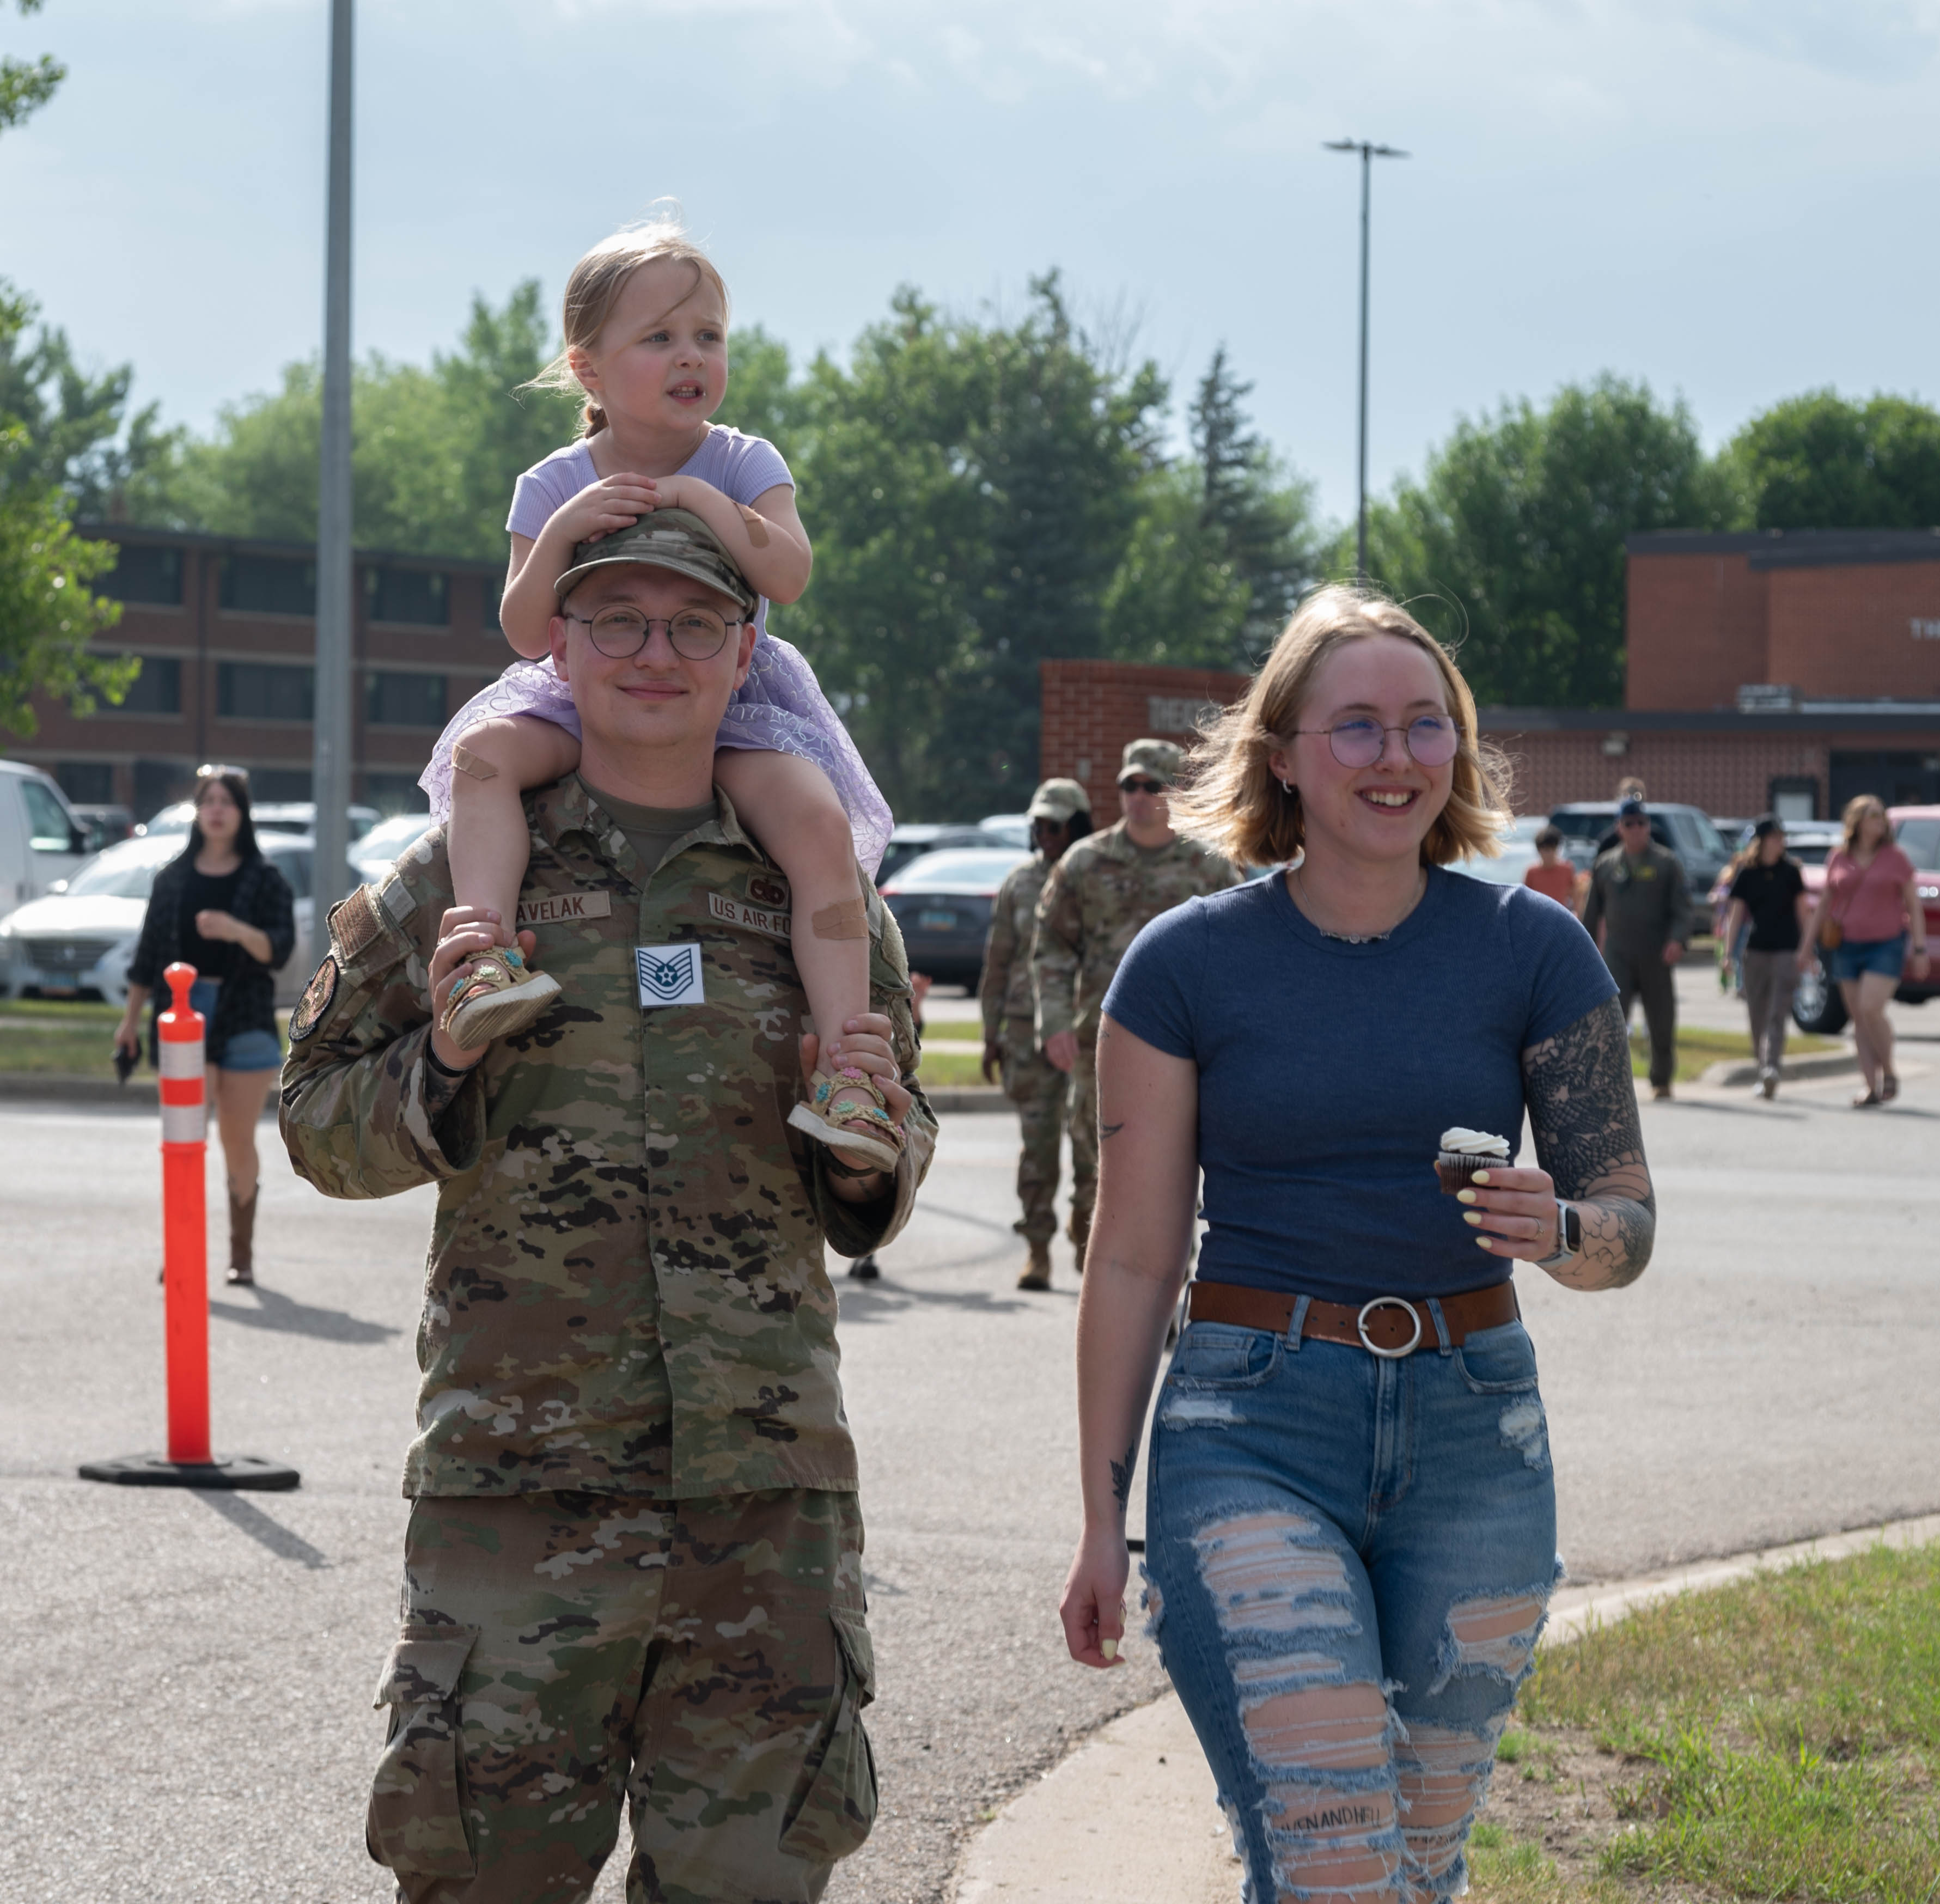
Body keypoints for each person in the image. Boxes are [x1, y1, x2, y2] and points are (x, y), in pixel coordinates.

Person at [280, 511, 935, 1903]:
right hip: (518, 1504)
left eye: (694, 623)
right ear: (559, 647)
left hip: (764, 1506)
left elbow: (892, 1138)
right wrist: (443, 1058)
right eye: (617, 618)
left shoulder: (812, 882)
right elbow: (315, 1120)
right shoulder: (460, 874)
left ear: (744, 653)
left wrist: (867, 1149)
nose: (655, 651)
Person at [1057, 586, 1656, 1904]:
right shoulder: (1179, 964)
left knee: (1415, 1868)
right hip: (1250, 1426)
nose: (1396, 756)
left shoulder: (1534, 949)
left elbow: (1624, 1224)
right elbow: (1133, 1258)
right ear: (1281, 753)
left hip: (1476, 1436)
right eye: (1357, 727)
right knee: (1331, 1859)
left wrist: (1558, 1228)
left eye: (1424, 724)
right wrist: (1101, 1522)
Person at [419, 210, 895, 1174]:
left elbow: (789, 572)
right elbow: (527, 632)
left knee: (814, 823)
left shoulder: (743, 461)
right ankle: (485, 962)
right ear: (588, 368)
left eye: (708, 335)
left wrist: (703, 503)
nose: (691, 356)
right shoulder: (552, 480)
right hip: (579, 692)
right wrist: (566, 530)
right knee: (482, 758)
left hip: (733, 698)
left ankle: (849, 1071)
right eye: (660, 337)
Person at [1032, 740, 1239, 1271]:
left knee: (1177, 1169)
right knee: (1098, 1168)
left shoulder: (1210, 866)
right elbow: (1052, 946)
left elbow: (1241, 954)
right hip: (1100, 1046)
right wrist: (1054, 1022)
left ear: (1174, 792)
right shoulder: (1085, 862)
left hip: (1189, 1049)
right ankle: (1103, 1276)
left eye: (1151, 786)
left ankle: (1168, 1284)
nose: (1139, 796)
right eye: (1130, 785)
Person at [115, 765, 295, 1286]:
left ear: (242, 813)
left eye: (227, 801)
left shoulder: (266, 879)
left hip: (244, 1013)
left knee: (237, 1141)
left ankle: (241, 1255)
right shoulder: (171, 879)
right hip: (180, 1015)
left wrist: (235, 929)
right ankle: (181, 1247)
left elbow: (279, 950)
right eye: (208, 800)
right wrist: (128, 1023)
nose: (217, 810)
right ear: (197, 811)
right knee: (184, 1140)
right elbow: (147, 958)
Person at [979, 777, 1092, 1290]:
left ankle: (1088, 1239)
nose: (1045, 834)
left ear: (1076, 827)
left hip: (1086, 1031)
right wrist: (991, 1033)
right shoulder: (1019, 883)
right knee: (1038, 1146)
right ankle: (1038, 1249)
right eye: (1039, 826)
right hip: (1028, 1034)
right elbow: (998, 962)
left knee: (1091, 1145)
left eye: (1055, 825)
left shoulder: (1094, 875)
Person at [1800, 794, 1930, 1107]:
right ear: (1857, 822)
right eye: (1873, 815)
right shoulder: (1839, 857)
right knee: (1859, 1017)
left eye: (1882, 816)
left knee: (1871, 1007)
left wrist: (1920, 948)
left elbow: (1913, 905)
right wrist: (1806, 948)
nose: (1880, 821)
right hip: (1847, 945)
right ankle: (1871, 1086)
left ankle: (1889, 1071)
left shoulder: (1895, 858)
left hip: (1886, 944)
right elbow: (1824, 906)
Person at [1581, 796, 1692, 1100]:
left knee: (1662, 1021)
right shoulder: (1606, 865)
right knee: (1611, 1021)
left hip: (1656, 953)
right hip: (1618, 954)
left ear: (1648, 826)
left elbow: (1683, 909)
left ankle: (1661, 1079)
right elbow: (1591, 915)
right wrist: (1584, 953)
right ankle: (1609, 1082)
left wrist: (1677, 940)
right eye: (1629, 824)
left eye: (1641, 823)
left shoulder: (1666, 863)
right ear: (1619, 828)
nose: (1636, 829)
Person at [1722, 817, 1811, 1097]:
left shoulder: (1791, 872)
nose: (1779, 842)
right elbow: (1735, 916)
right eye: (1774, 837)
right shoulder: (1748, 873)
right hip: (1756, 951)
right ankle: (1763, 1069)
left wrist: (1807, 950)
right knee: (1757, 1014)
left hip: (1787, 951)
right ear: (1761, 842)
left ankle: (1771, 1068)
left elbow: (1803, 913)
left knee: (1777, 1013)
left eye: (1781, 837)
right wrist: (1728, 954)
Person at [1523, 825, 1579, 912]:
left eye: (1552, 849)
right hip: (1538, 915)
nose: (1549, 854)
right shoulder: (1532, 872)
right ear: (1539, 851)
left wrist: (1577, 913)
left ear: (1557, 849)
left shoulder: (1567, 869)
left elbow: (1575, 896)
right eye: (1545, 850)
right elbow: (1525, 899)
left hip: (1561, 915)